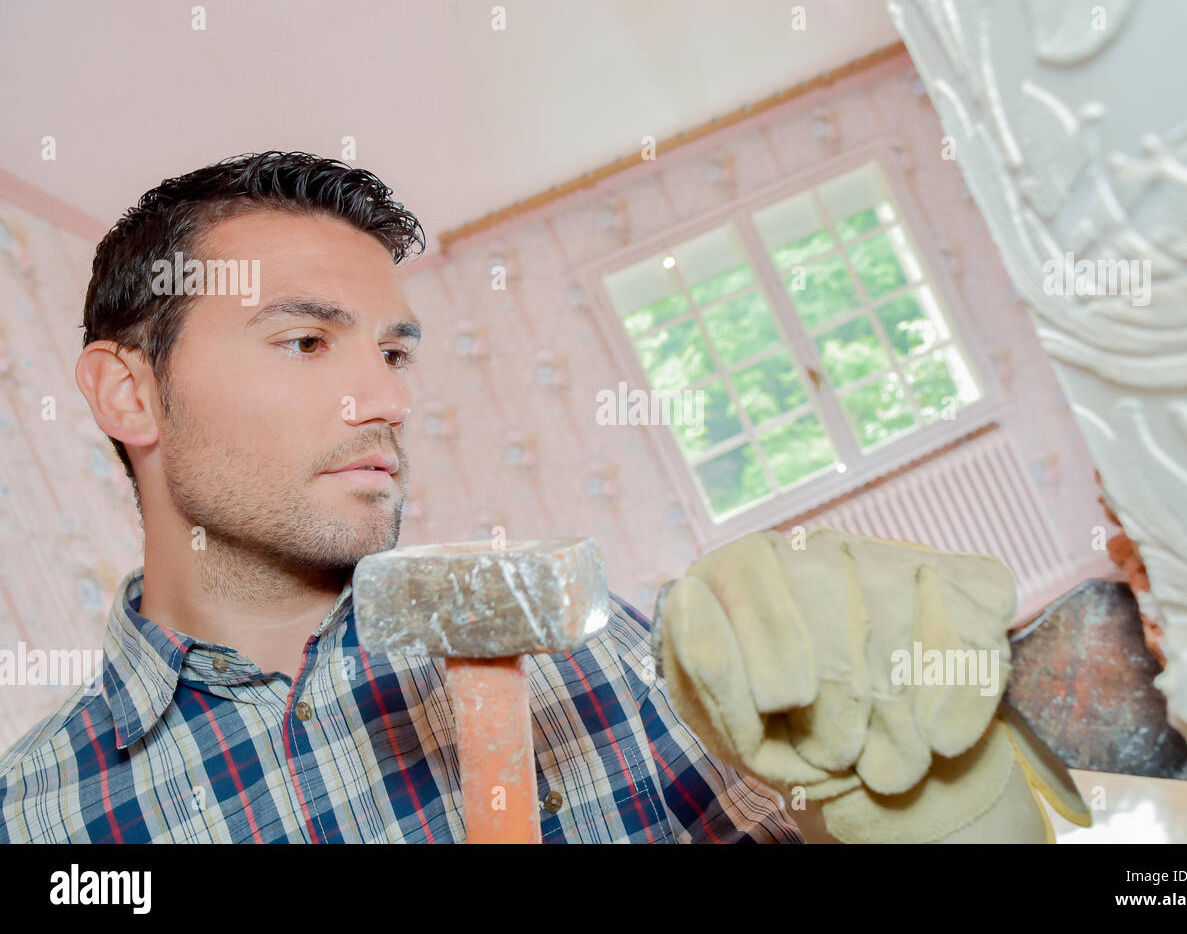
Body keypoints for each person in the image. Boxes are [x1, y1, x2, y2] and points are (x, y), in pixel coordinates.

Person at [0, 151, 801, 843]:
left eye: (391, 352)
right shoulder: (34, 818)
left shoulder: (598, 653)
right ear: (130, 394)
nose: (387, 398)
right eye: (307, 341)